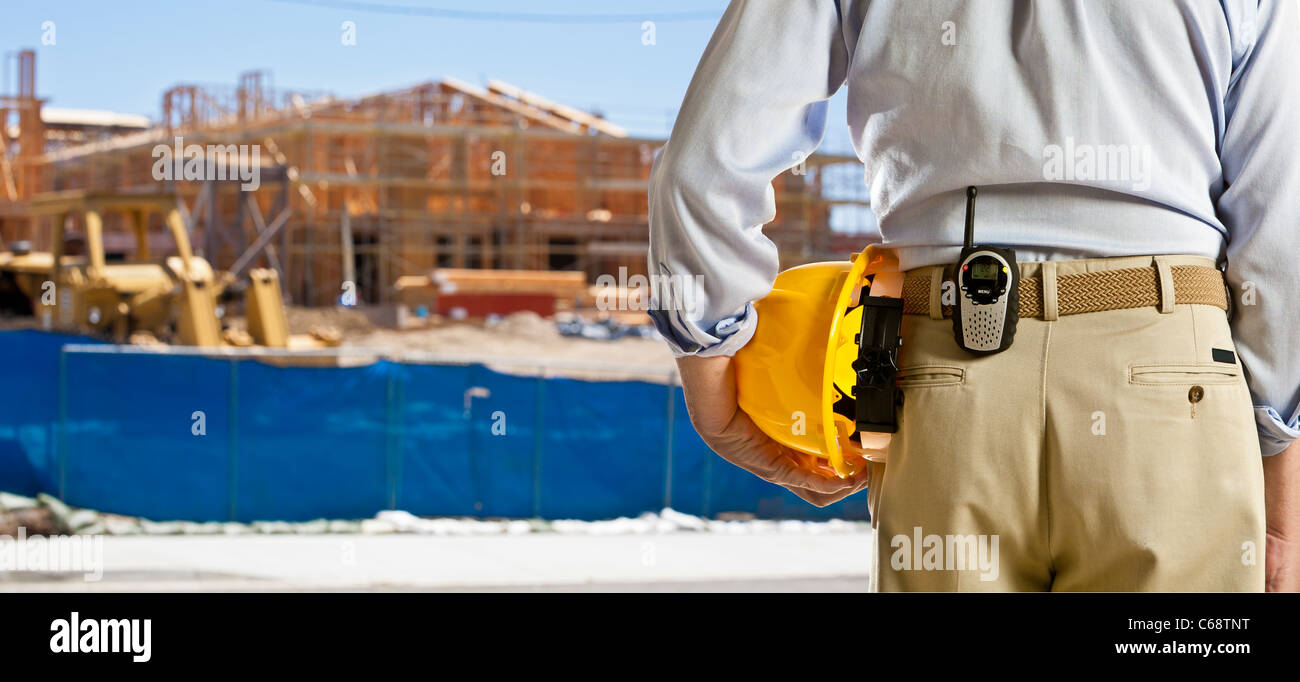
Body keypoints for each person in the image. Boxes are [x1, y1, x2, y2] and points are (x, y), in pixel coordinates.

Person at [647, 0, 1299, 591]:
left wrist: (710, 377)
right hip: (1169, 393)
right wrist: (1281, 500)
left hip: (944, 380)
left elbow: (700, 170)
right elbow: (1280, 231)